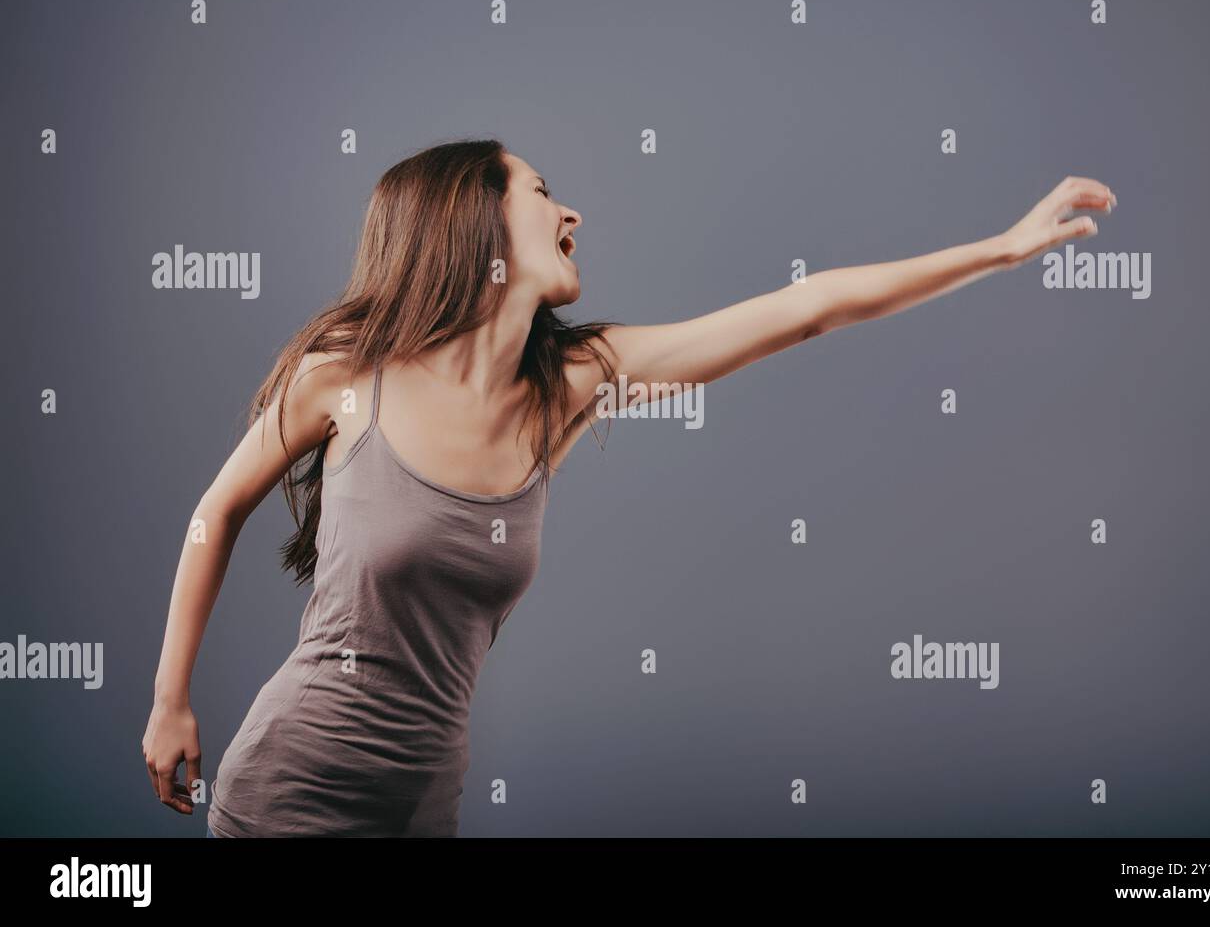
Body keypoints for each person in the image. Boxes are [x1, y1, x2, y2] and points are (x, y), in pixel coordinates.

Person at [141, 137, 1114, 836]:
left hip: (422, 800)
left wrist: (1000, 248)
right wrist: (170, 696)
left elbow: (803, 309)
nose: (570, 212)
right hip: (291, 783)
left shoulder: (571, 385)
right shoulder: (346, 378)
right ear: (471, 217)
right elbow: (214, 511)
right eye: (540, 191)